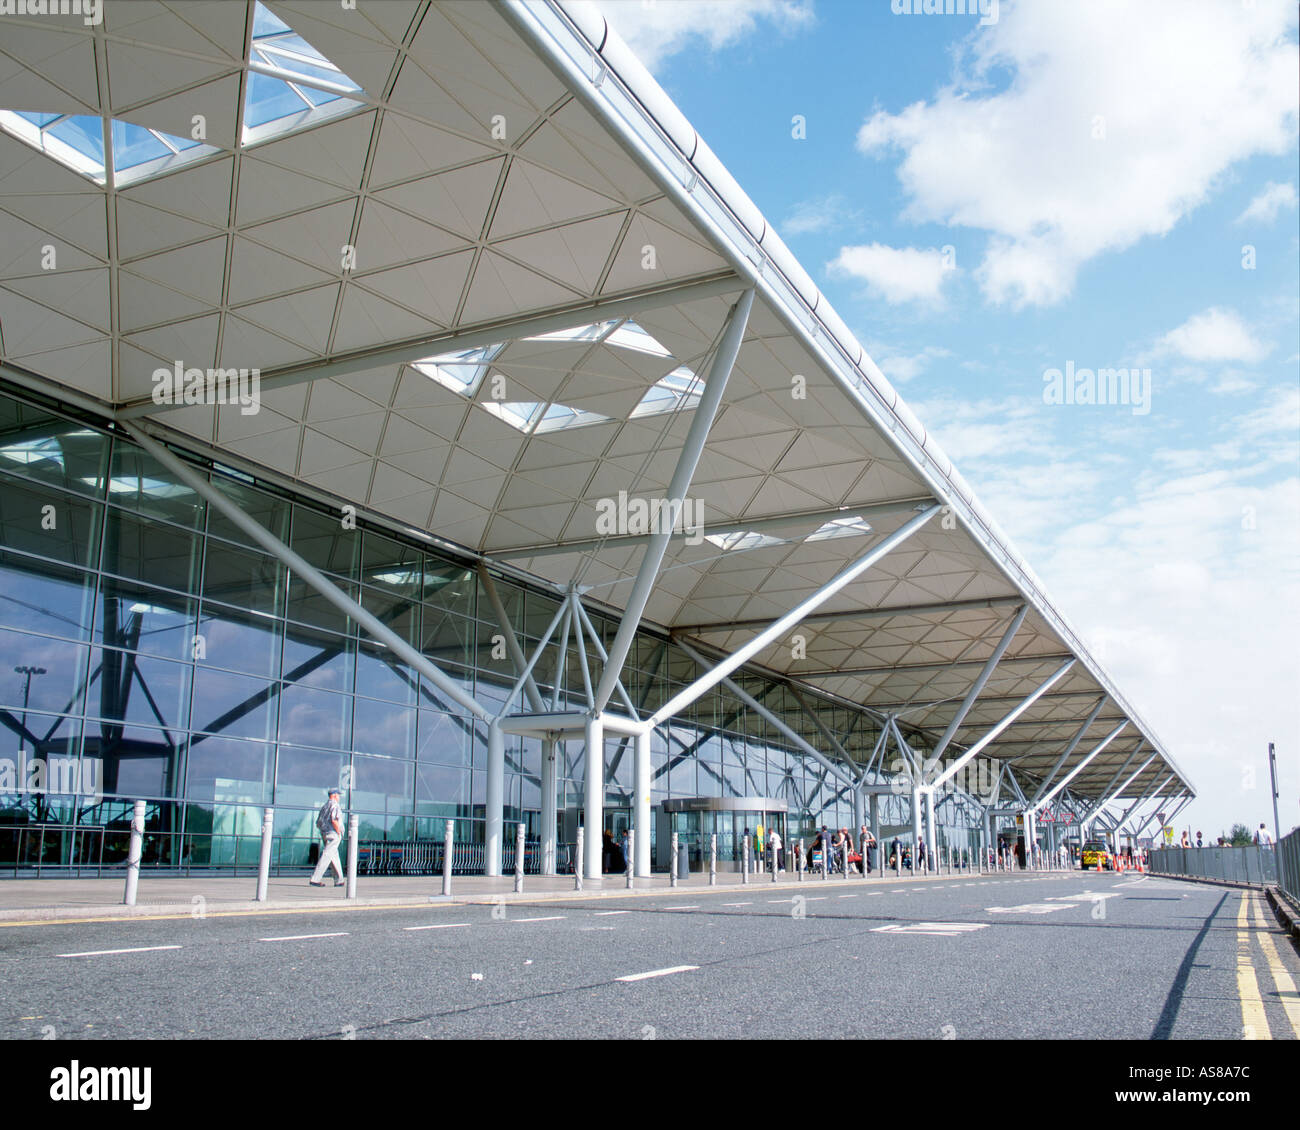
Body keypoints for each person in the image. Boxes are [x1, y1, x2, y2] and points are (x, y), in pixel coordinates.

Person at [309, 786, 345, 887]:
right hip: (333, 833)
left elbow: (318, 823)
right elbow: (334, 820)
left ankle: (339, 880)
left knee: (334, 856)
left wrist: (323, 831)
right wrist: (338, 832)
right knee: (327, 855)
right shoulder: (335, 805)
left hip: (325, 833)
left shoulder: (324, 806)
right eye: (338, 795)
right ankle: (315, 879)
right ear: (334, 795)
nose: (339, 797)